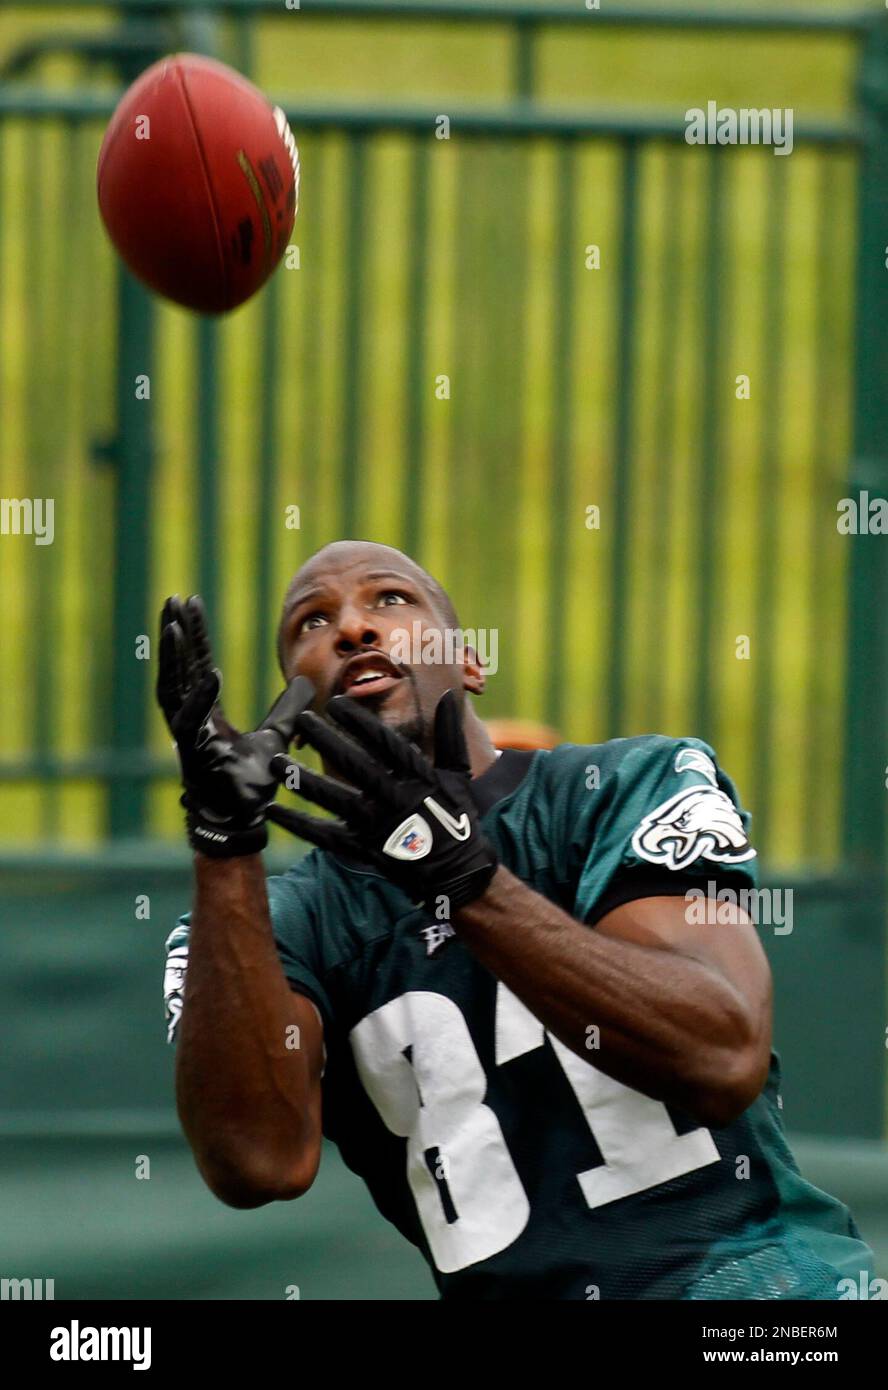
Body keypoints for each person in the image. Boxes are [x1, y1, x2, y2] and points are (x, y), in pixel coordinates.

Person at [160, 538, 875, 1300]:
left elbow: (722, 1051)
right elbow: (256, 1164)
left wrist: (463, 880)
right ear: (293, 710)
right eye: (312, 621)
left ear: (469, 662)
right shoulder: (274, 923)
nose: (353, 629)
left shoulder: (621, 788)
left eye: (391, 600)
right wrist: (223, 843)